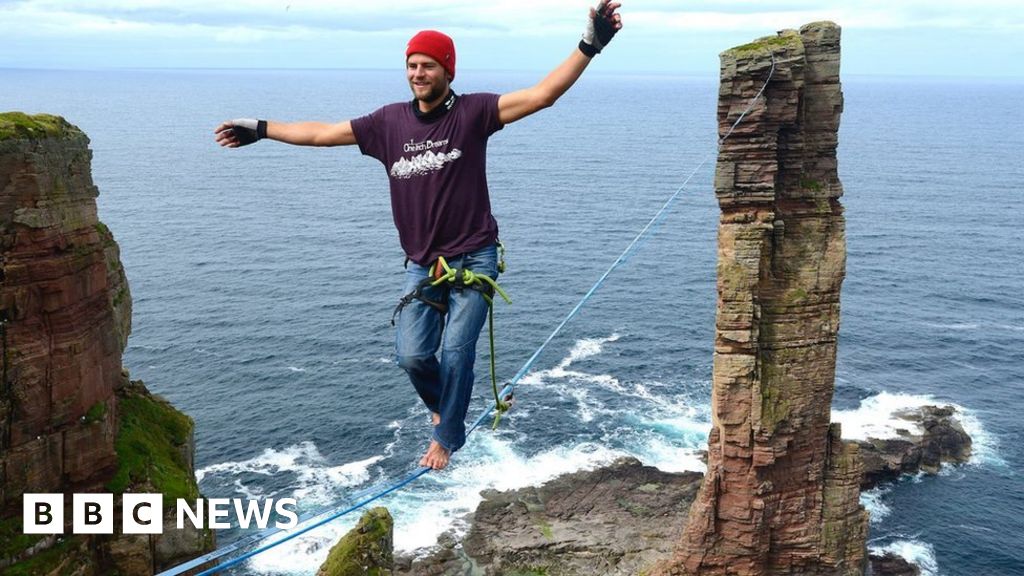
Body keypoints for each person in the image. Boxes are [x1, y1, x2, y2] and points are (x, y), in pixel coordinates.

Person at [215, 2, 623, 470]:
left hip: (475, 259)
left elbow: (542, 94)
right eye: (411, 65)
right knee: (411, 356)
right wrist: (263, 130)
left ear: (447, 69)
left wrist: (589, 46)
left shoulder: (473, 113)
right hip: (423, 264)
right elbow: (322, 133)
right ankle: (442, 408)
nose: (418, 72)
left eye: (428, 64)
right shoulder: (388, 124)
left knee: (455, 352)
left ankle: (447, 437)